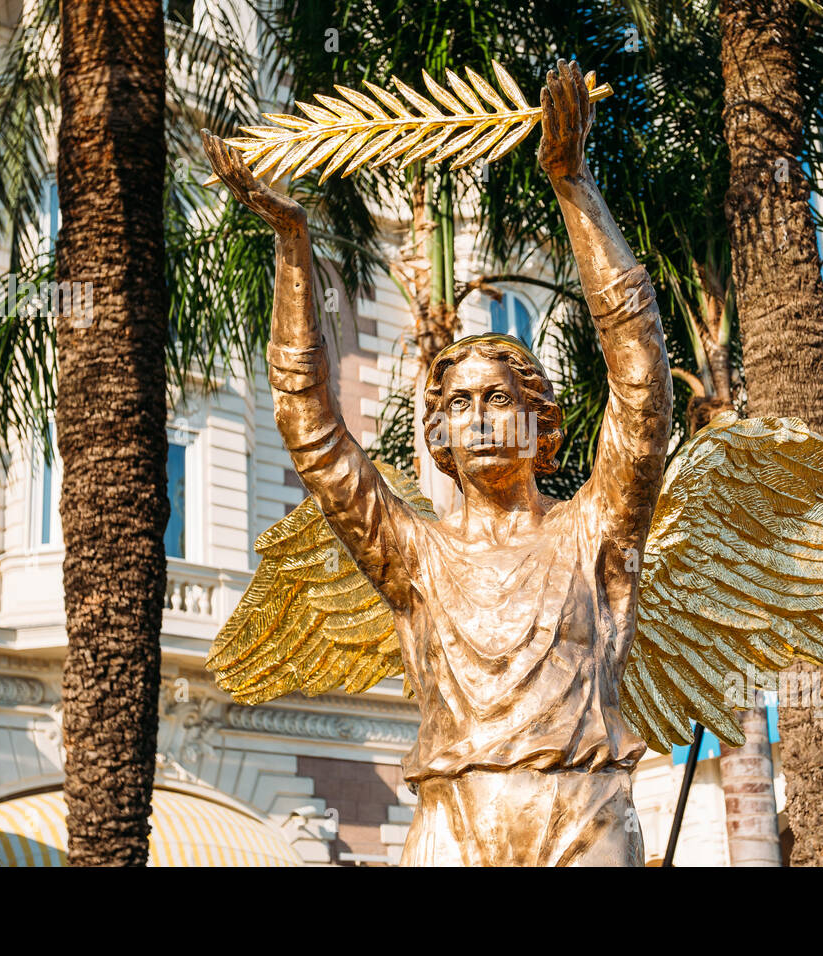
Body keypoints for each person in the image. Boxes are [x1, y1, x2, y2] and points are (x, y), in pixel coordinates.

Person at [201, 58, 672, 866]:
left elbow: (641, 376)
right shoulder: (416, 556)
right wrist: (292, 245)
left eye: (499, 401)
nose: (479, 421)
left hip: (584, 810)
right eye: (457, 407)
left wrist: (570, 184)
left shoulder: (595, 530)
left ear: (543, 428)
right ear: (438, 441)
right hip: (453, 817)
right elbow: (309, 425)